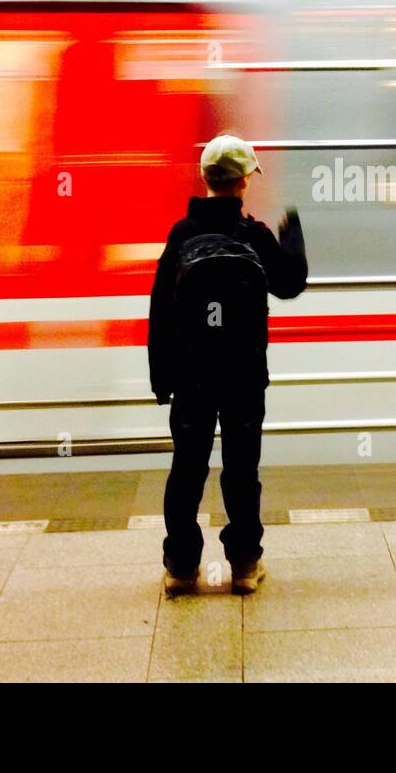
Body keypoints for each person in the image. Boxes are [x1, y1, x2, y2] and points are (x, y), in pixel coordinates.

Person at [149, 134, 308, 595]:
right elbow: (290, 283)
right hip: (243, 375)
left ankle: (180, 568)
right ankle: (243, 566)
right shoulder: (254, 235)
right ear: (244, 182)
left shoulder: (182, 235)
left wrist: (163, 379)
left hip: (192, 376)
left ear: (205, 178)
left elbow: (161, 310)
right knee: (242, 469)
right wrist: (291, 231)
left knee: (187, 468)